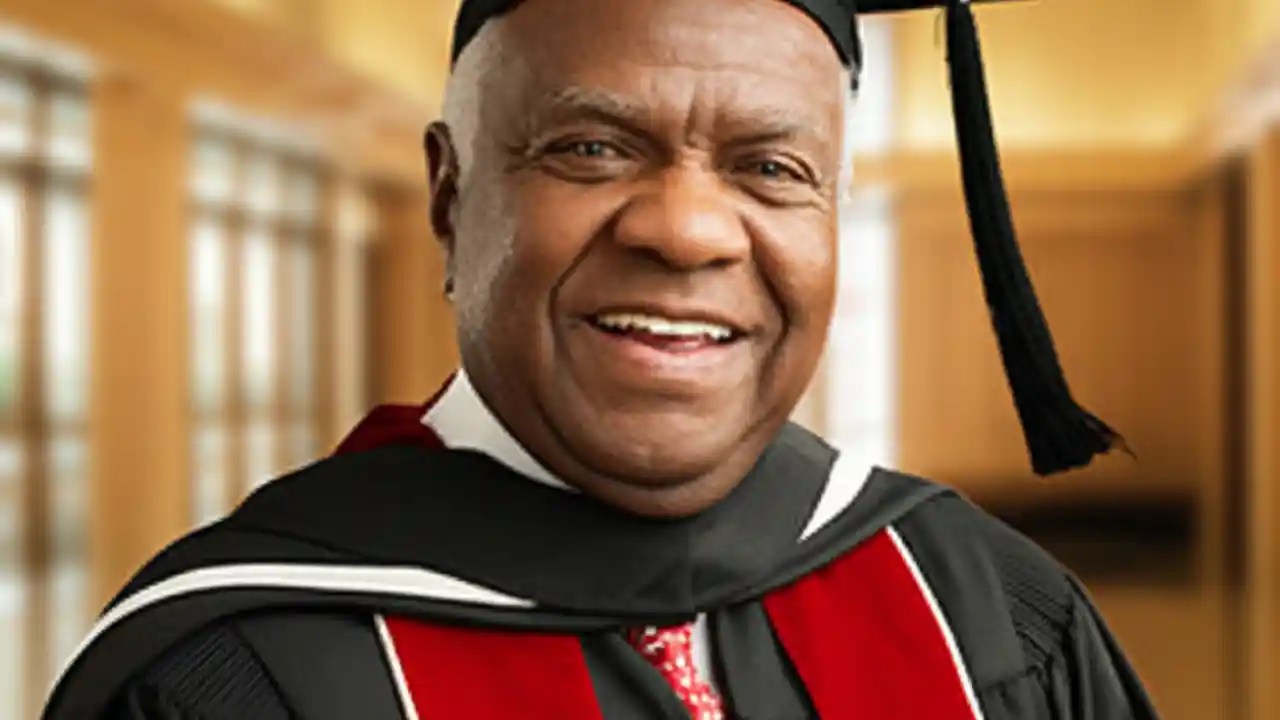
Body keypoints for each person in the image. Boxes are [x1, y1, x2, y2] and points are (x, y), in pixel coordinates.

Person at [45, 0, 1158, 718]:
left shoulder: (985, 607)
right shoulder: (228, 675)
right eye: (590, 148)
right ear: (449, 196)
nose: (685, 230)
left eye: (770, 168)